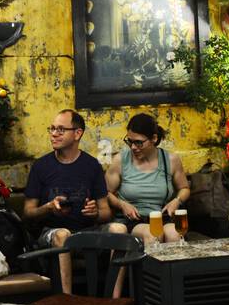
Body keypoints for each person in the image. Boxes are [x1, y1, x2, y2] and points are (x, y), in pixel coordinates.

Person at [23, 110, 114, 292]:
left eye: (61, 129)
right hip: (53, 233)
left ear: (77, 133)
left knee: (119, 229)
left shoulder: (91, 165)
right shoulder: (41, 166)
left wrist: (95, 213)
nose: (54, 134)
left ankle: (115, 300)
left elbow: (106, 212)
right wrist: (48, 207)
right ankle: (67, 301)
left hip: (88, 232)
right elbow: (28, 212)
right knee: (63, 235)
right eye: (52, 129)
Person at [106, 113, 190, 244]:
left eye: (139, 142)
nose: (133, 147)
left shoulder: (170, 160)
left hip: (161, 216)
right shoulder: (120, 160)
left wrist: (176, 201)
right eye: (130, 141)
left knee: (175, 234)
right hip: (132, 220)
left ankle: (174, 265)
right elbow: (105, 192)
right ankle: (149, 265)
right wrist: (121, 204)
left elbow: (184, 188)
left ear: (154, 139)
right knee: (154, 234)